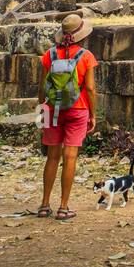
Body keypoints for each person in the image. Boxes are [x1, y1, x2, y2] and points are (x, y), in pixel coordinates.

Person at [36, 13, 97, 221]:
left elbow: (42, 86)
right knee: (70, 157)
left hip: (53, 109)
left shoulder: (49, 54)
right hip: (77, 109)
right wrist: (93, 114)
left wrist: (42, 108)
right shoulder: (86, 56)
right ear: (81, 34)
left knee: (52, 156)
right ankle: (63, 207)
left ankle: (44, 205)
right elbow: (89, 88)